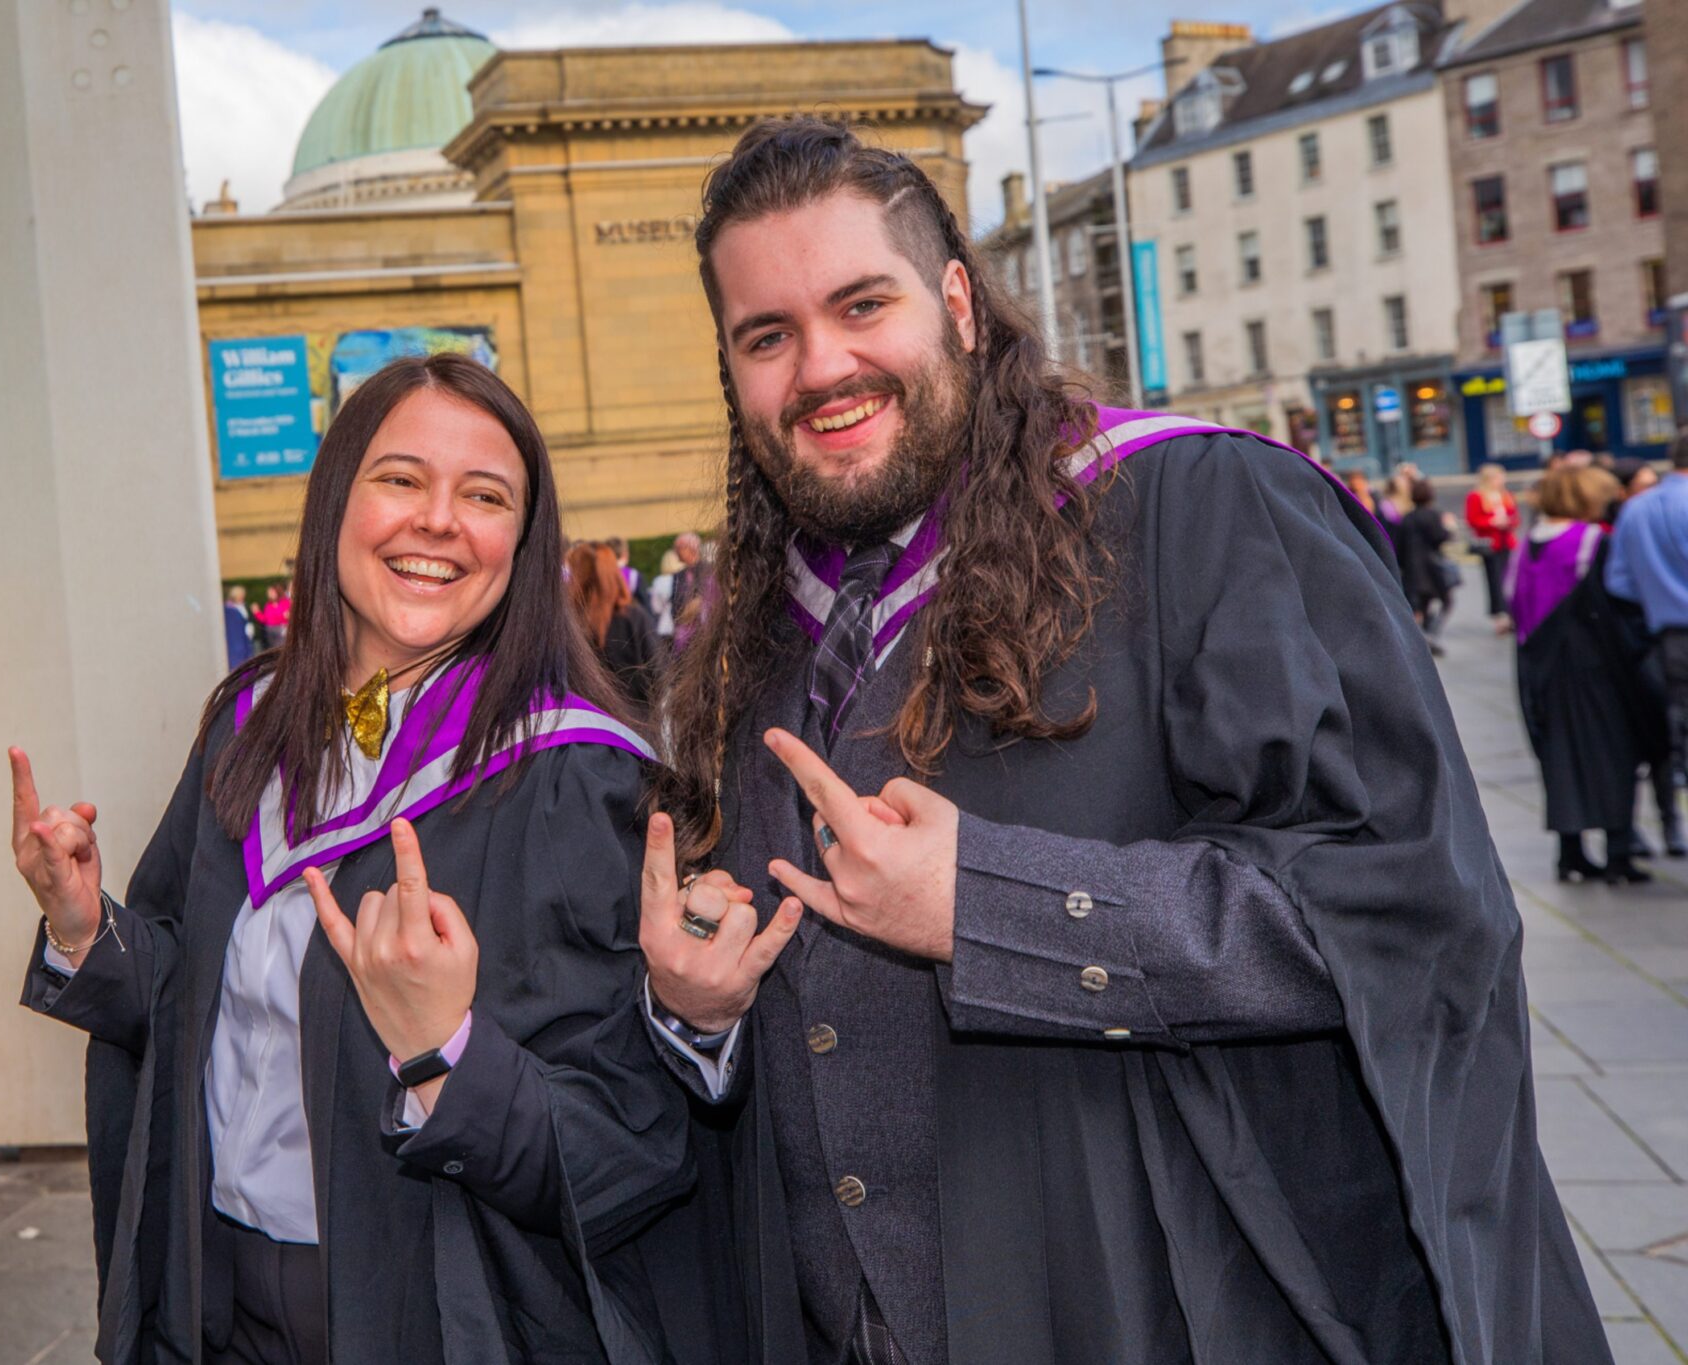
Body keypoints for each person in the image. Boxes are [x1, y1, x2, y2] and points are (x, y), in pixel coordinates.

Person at [638, 116, 1604, 1365]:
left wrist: (989, 901)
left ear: (956, 304)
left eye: (859, 304)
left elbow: (1410, 910)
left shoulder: (1200, 511)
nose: (820, 367)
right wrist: (695, 1012)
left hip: (1170, 1313)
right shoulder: (757, 638)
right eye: (766, 336)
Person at [13, 356, 728, 1364]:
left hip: (426, 1312)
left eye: (483, 496)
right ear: (334, 503)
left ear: (520, 545)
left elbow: (624, 1145)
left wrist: (443, 1048)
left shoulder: (572, 781)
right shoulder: (247, 725)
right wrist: (89, 933)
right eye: (400, 478)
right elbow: (197, 1000)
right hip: (211, 1291)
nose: (437, 521)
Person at [1510, 467, 1655, 883]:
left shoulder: (1528, 546)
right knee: (1613, 754)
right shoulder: (1591, 542)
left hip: (1538, 664)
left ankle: (1570, 851)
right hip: (1593, 667)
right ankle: (1618, 851)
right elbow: (1617, 606)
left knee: (1559, 759)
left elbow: (1513, 603)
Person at [1606, 430, 1688, 850]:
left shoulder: (1636, 510)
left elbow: (1618, 581)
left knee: (1669, 733)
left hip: (1664, 636)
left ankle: (1674, 824)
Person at [568, 541, 663, 718]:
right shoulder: (633, 617)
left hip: (592, 724)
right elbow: (658, 670)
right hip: (639, 720)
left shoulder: (570, 625)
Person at [1397, 477, 1457, 655]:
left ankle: (1422, 638)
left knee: (1419, 606)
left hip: (1412, 569)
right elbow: (1440, 537)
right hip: (1432, 568)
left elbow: (1398, 546)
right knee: (1446, 601)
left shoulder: (1407, 518)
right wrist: (1450, 527)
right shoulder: (1433, 515)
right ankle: (1430, 636)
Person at [1465, 463, 1519, 631]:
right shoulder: (1476, 496)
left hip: (1506, 541)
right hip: (1490, 544)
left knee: (1510, 577)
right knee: (1495, 580)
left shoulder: (1505, 495)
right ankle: (1500, 615)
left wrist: (1508, 522)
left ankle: (1511, 613)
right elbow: (1472, 520)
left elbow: (1515, 517)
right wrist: (1492, 522)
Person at [223, 585, 254, 668]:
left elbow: (247, 619)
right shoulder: (228, 608)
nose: (242, 597)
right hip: (236, 640)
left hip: (245, 638)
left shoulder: (244, 606)